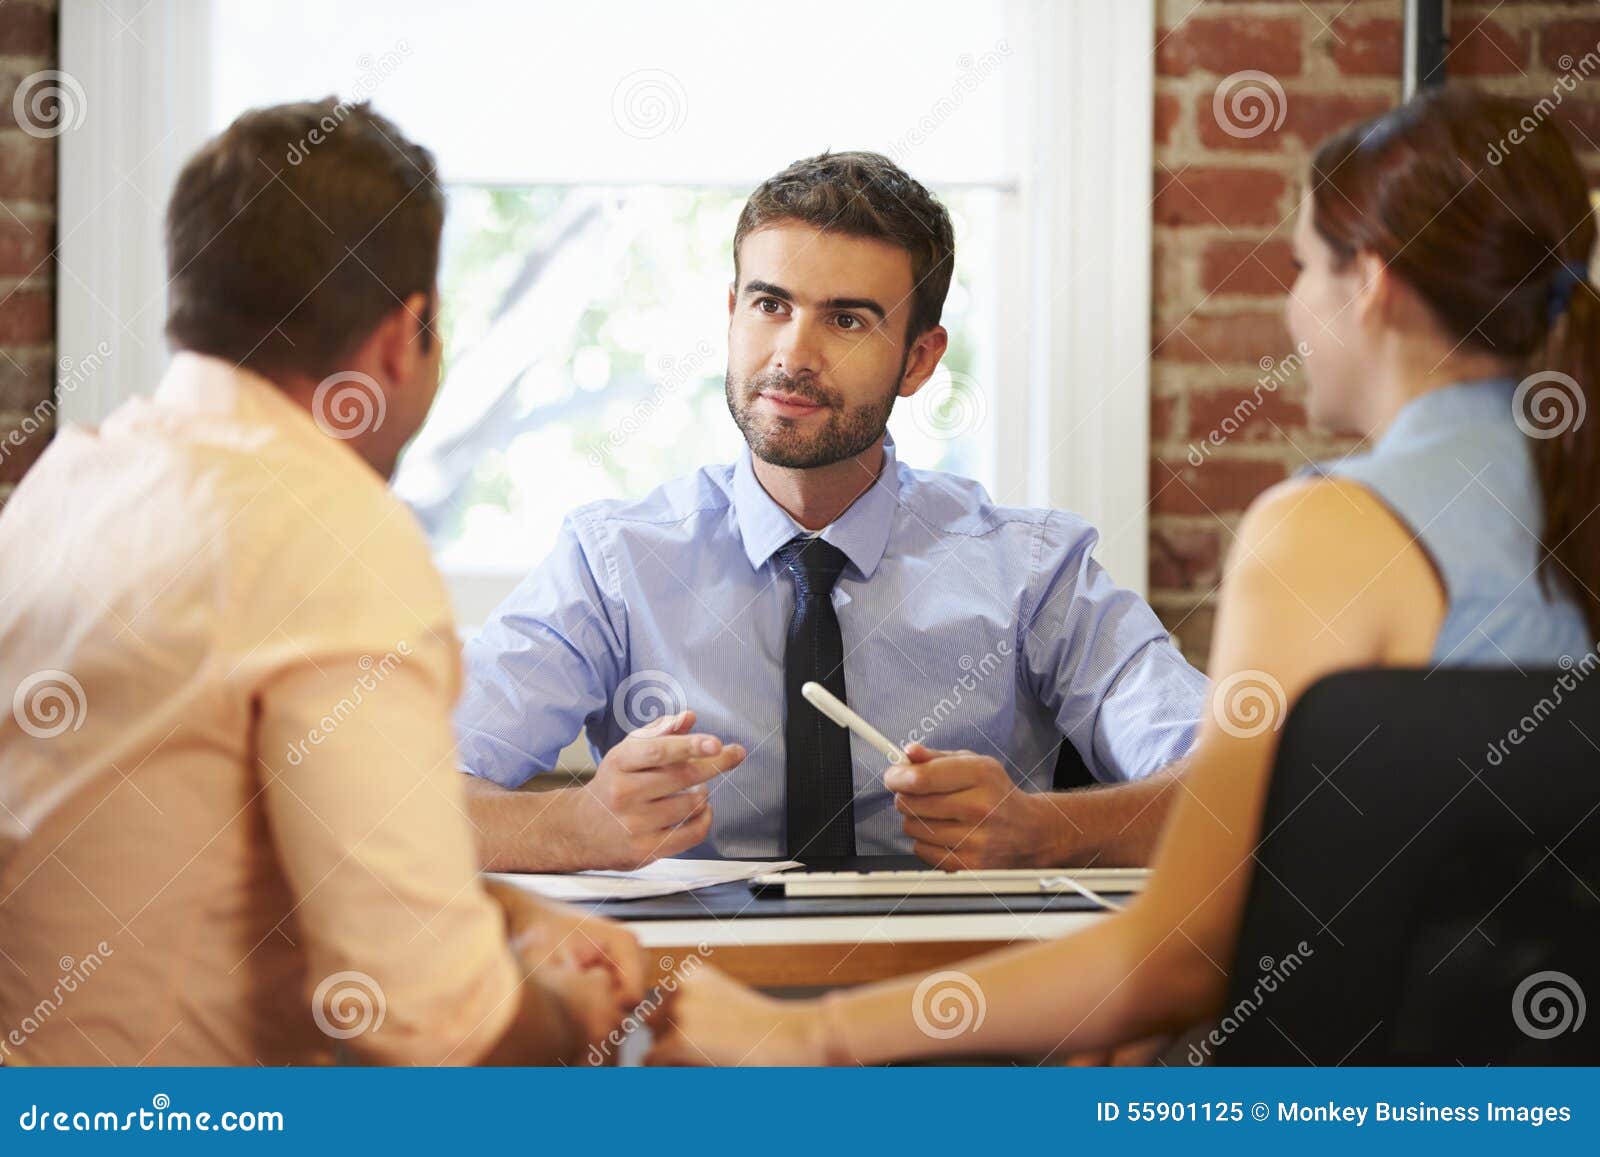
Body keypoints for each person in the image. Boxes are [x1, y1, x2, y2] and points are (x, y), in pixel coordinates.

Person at [644, 85, 1600, 1064]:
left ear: (1371, 285)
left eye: (1305, 265)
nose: (1292, 302)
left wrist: (812, 1034)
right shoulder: (1570, 492)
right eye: (769, 303)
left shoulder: (1330, 529)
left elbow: (1176, 956)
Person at [0, 100, 641, 1066]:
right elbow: (435, 1032)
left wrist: (499, 912)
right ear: (403, 335)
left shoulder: (66, 483)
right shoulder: (325, 531)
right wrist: (582, 1018)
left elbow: (217, 844)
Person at [457, 151, 1206, 872]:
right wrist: (575, 825)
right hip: (692, 988)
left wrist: (1046, 831)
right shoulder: (612, 564)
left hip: (960, 986)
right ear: (731, 312)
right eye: (770, 304)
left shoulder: (1034, 571)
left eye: (847, 320)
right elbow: (393, 801)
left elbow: (1233, 789)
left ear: (919, 360)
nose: (793, 354)